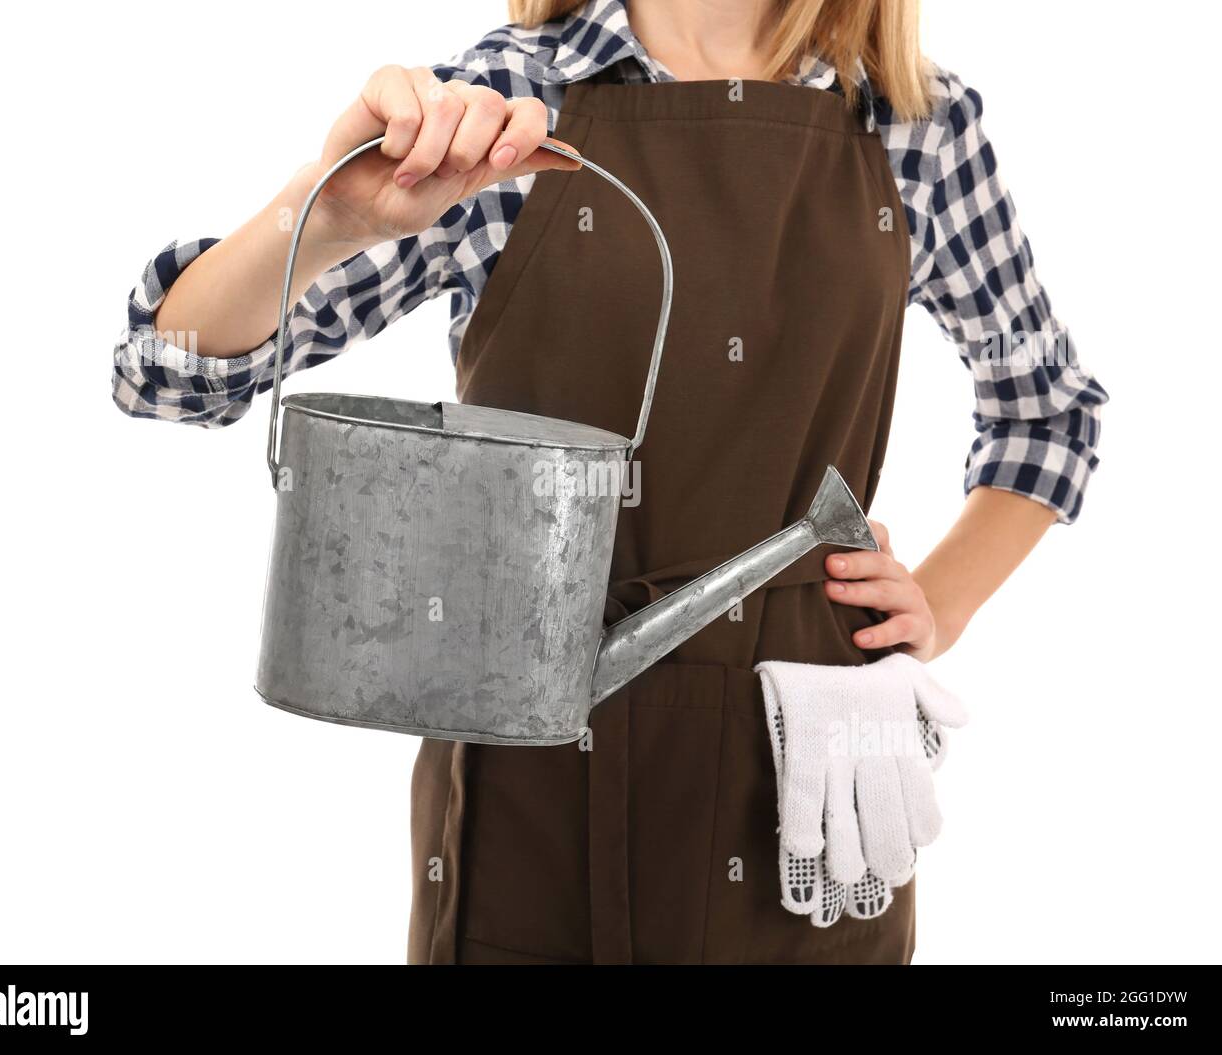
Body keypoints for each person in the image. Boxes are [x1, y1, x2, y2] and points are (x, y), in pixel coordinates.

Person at [113, 0, 1107, 964]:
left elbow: (1047, 408)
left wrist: (936, 601)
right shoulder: (508, 103)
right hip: (533, 765)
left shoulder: (914, 125)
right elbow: (167, 372)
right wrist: (323, 216)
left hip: (810, 761)